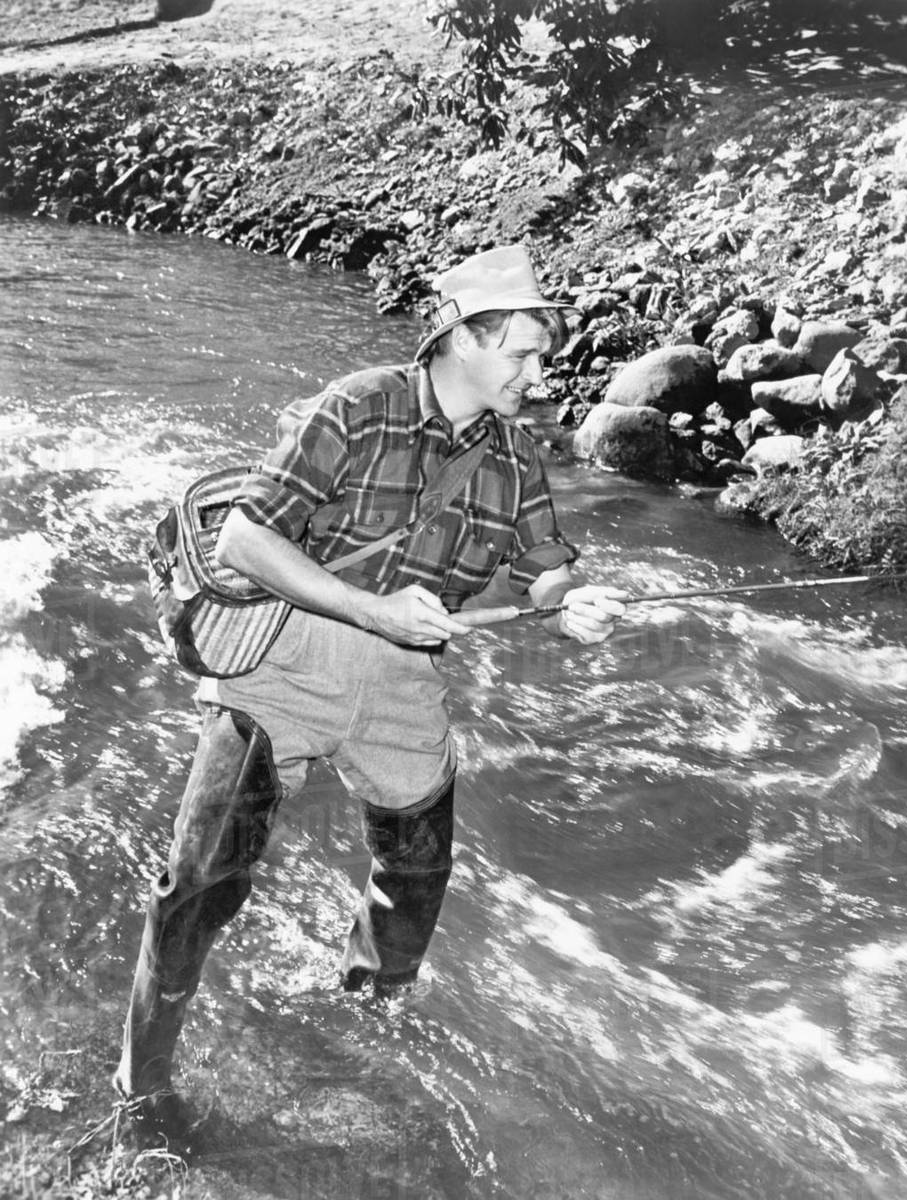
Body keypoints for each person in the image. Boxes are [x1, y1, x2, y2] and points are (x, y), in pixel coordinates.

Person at [114, 244, 627, 1145]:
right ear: (460, 338)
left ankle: (358, 1029)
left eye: (541, 355)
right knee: (197, 886)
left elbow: (539, 572)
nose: (537, 374)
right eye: (522, 352)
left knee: (416, 882)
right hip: (284, 661)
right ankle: (143, 1090)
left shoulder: (519, 457)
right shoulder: (357, 405)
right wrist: (370, 607)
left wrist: (568, 602)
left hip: (404, 683)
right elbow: (243, 542)